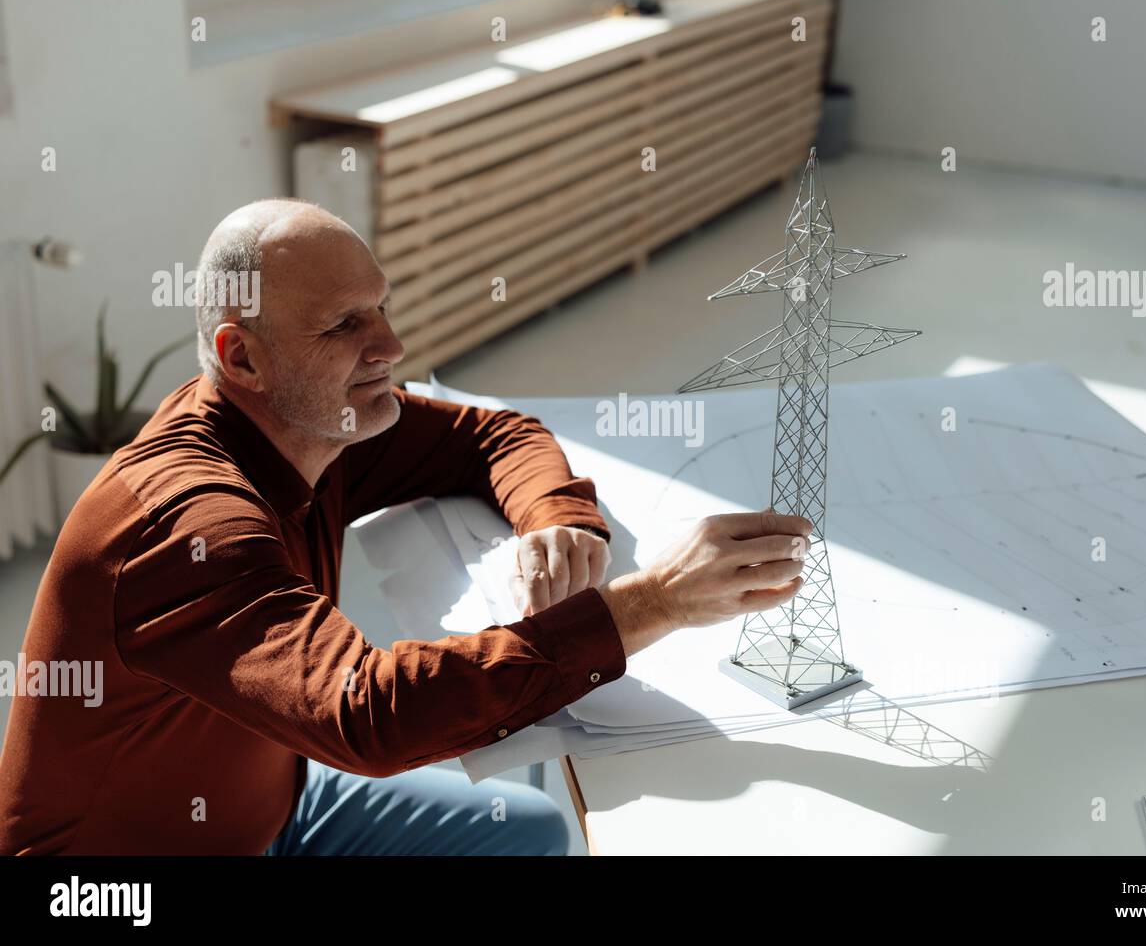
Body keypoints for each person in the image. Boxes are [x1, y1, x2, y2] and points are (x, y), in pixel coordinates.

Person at [0, 199, 808, 855]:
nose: (389, 343)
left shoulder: (313, 418)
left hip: (274, 805)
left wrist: (556, 518)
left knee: (525, 833)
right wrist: (654, 601)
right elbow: (369, 713)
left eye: (381, 306)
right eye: (344, 325)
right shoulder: (186, 525)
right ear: (241, 357)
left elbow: (492, 435)